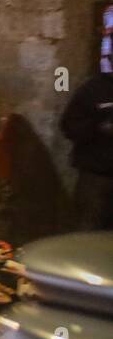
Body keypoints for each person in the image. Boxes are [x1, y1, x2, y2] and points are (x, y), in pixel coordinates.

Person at [60, 67, 113, 230]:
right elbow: (69, 125)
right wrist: (100, 128)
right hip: (96, 176)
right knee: (88, 231)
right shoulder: (94, 88)